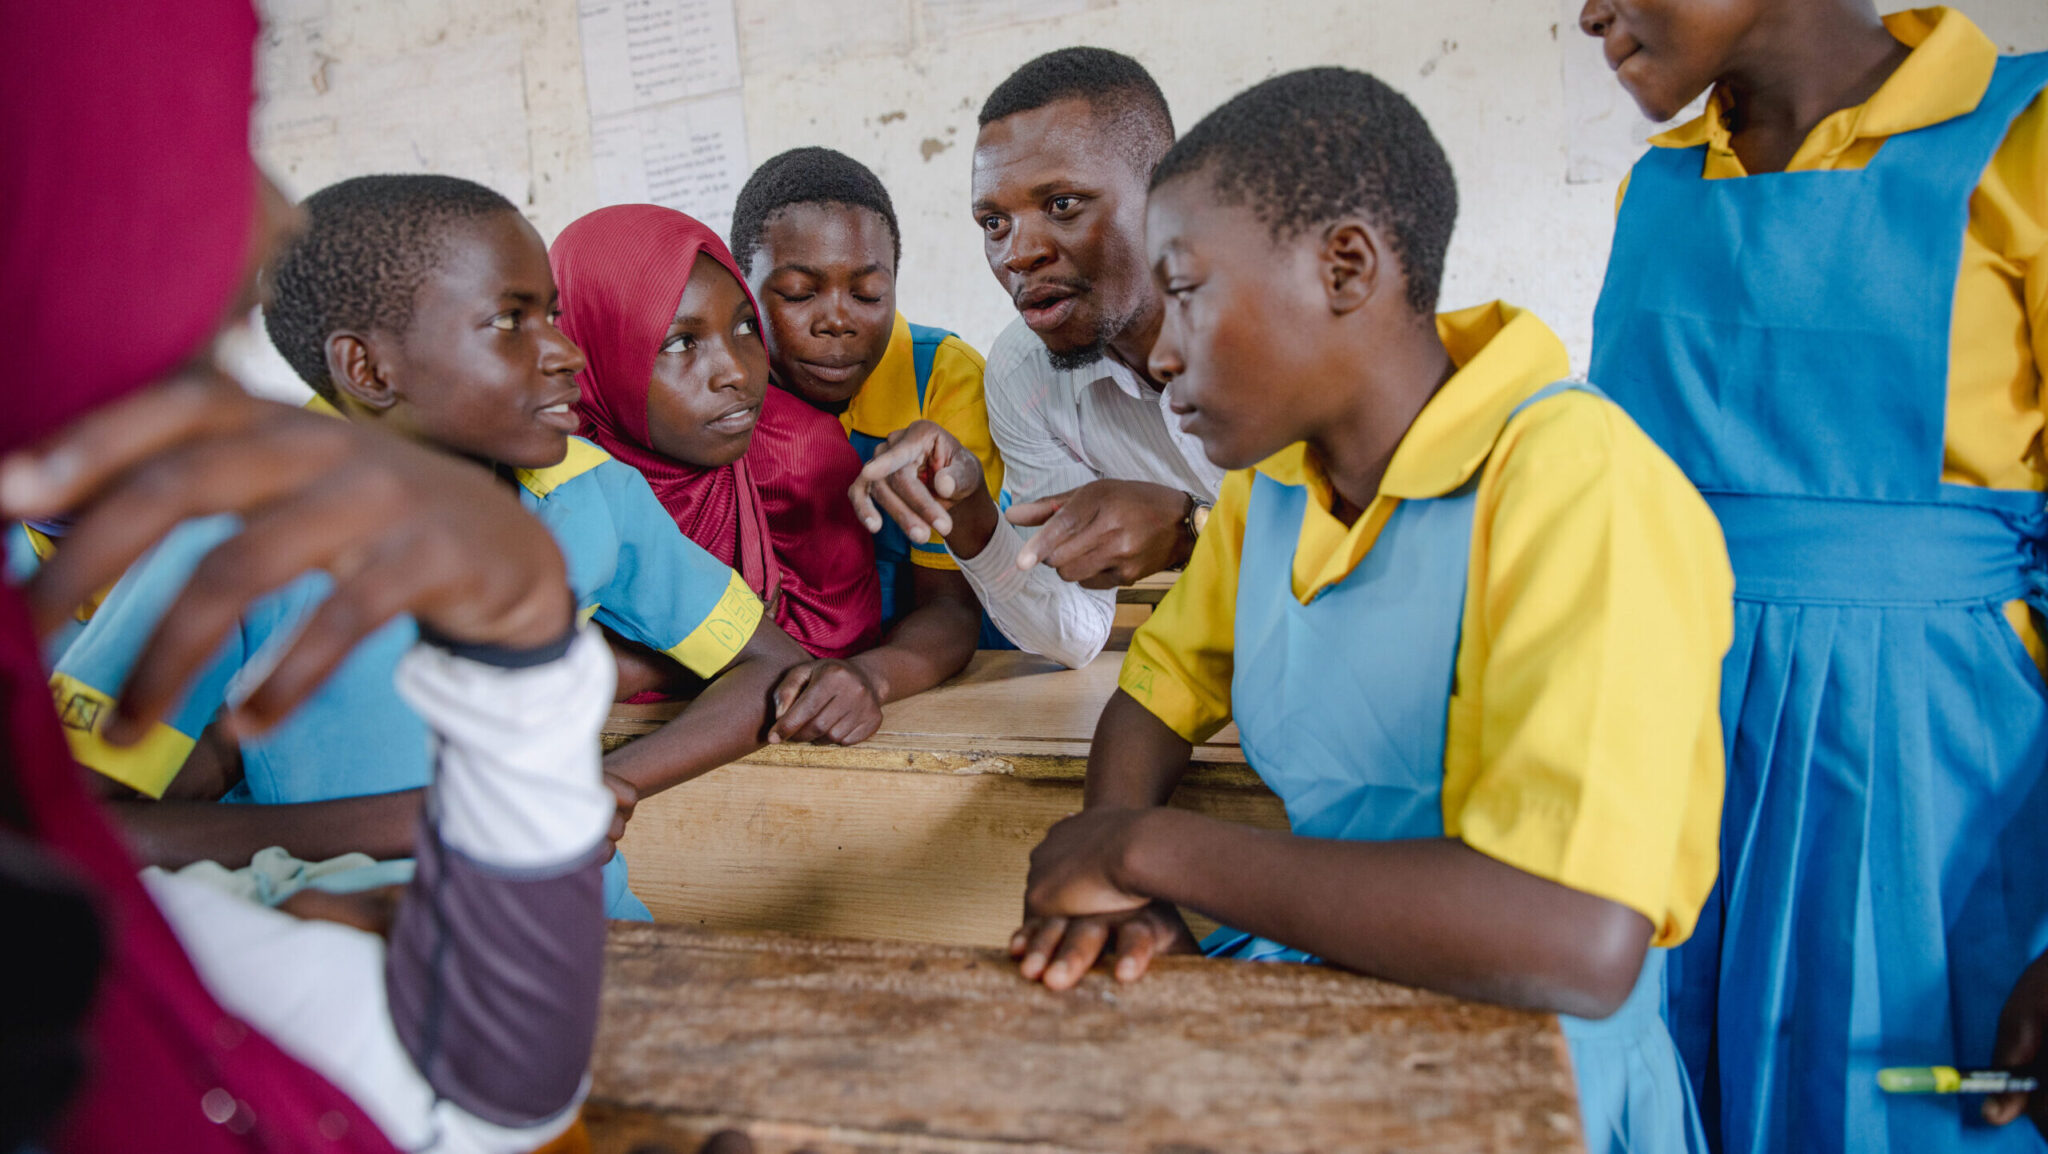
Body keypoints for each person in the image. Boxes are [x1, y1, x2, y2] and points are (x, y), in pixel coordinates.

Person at [1008, 68, 1734, 1154]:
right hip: (1323, 1019)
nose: (1159, 354)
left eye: (1188, 291)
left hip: (1531, 1070)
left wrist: (1143, 848)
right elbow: (1156, 690)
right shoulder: (1275, 486)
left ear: (1342, 265)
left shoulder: (1573, 480)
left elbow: (1573, 936)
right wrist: (1128, 896)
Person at [1, 2, 617, 1148]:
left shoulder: (534, 506)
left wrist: (520, 641)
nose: (274, 219)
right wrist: (349, 837)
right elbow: (115, 800)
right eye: (204, 132)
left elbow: (492, 1096)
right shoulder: (221, 532)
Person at [51, 174, 811, 918]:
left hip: (587, 919)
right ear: (370, 369)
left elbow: (770, 666)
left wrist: (597, 787)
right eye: (511, 323)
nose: (565, 352)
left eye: (551, 312)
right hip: (355, 951)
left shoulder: (587, 490)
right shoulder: (236, 522)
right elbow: (66, 822)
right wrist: (437, 820)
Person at [1578, 2, 2048, 1150]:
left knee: (1892, 1106)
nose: (1588, 11)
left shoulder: (2019, 141)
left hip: (1930, 795)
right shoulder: (1658, 187)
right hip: (1662, 787)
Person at [851, 47, 1221, 670]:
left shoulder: (1288, 321)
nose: (1017, 254)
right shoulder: (1025, 374)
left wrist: (1193, 531)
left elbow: (1391, 553)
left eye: (1062, 205)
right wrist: (968, 515)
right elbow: (1074, 634)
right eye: (994, 221)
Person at [552, 204, 892, 746]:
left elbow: (817, 665)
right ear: (596, 350)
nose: (736, 371)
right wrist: (718, 652)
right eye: (682, 342)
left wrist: (640, 666)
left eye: (744, 327)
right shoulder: (556, 477)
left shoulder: (797, 454)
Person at [729, 146, 996, 706]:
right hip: (759, 680)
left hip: (931, 681)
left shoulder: (942, 379)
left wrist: (867, 678)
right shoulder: (722, 388)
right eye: (800, 293)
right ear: (744, 290)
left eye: (869, 293)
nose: (837, 321)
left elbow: (951, 608)